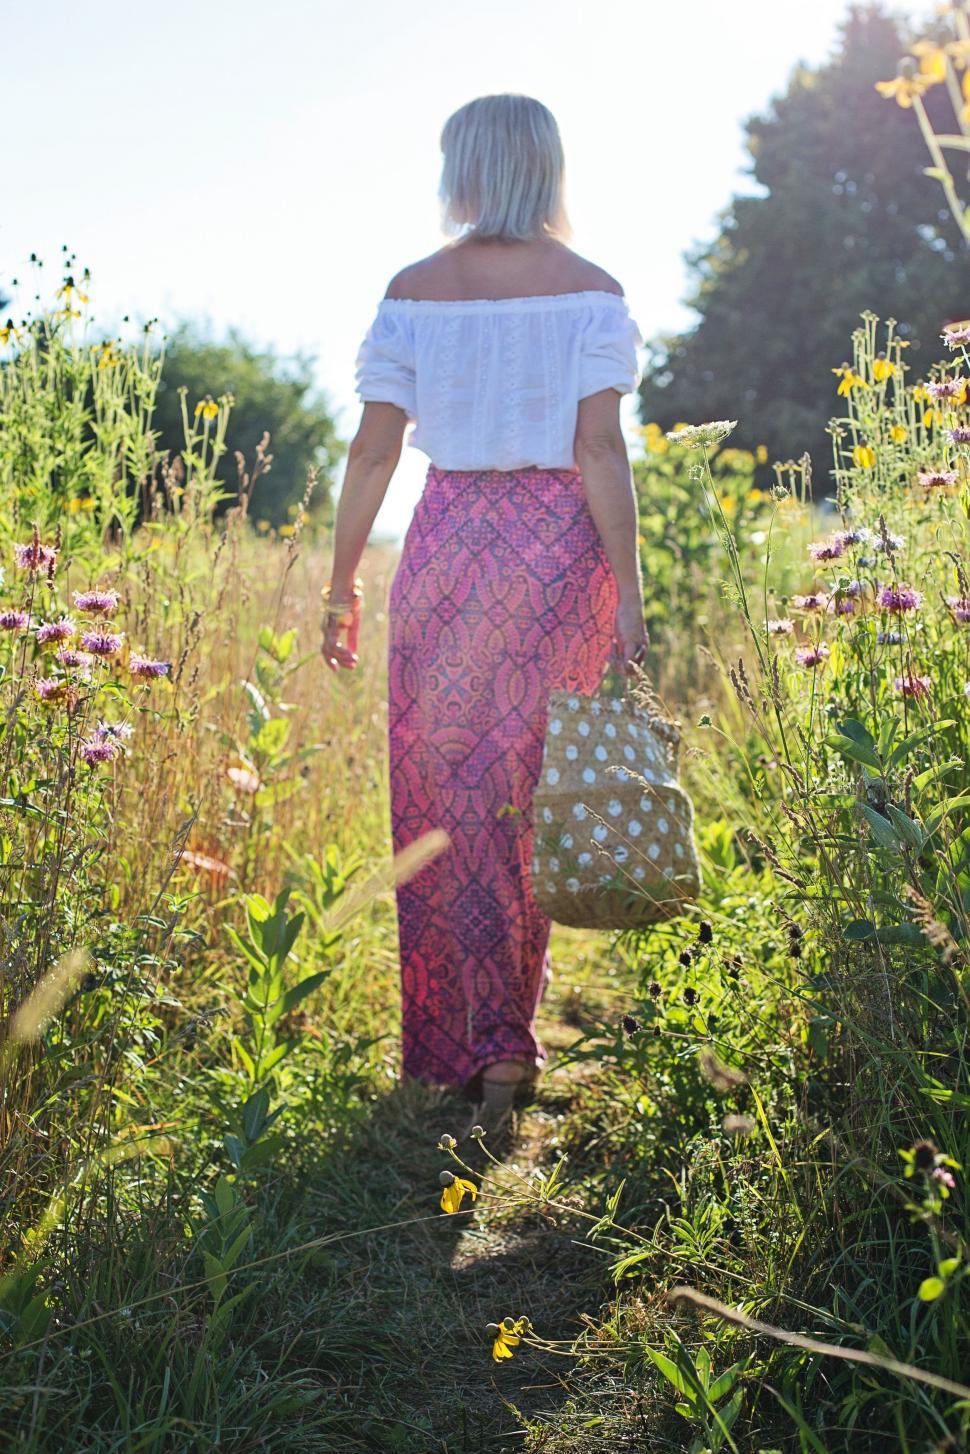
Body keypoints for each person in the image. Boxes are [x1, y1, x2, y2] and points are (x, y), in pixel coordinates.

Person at [322, 92, 648, 1145]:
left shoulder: (413, 291)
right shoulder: (592, 292)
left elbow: (372, 453)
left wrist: (340, 583)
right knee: (525, 793)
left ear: (460, 168)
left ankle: (456, 1043)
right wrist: (630, 597)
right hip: (558, 553)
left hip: (450, 543)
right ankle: (505, 1040)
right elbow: (601, 453)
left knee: (439, 791)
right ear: (548, 168)